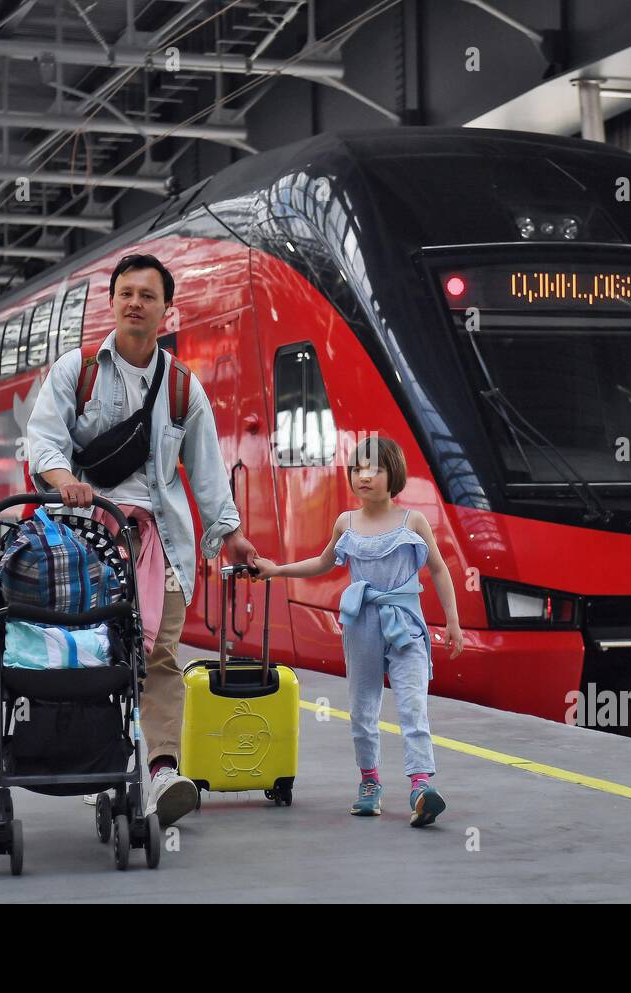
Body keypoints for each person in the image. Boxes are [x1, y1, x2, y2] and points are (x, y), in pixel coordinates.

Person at [25, 253, 259, 826]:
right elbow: (43, 441)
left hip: (164, 544)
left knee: (158, 656)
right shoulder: (74, 371)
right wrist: (67, 483)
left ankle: (162, 773)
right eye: (126, 292)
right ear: (112, 302)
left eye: (147, 295)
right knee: (93, 654)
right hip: (84, 544)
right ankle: (100, 760)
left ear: (165, 309)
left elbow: (207, 474)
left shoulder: (183, 388)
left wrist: (230, 537)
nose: (135, 303)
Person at [252, 436, 463, 827]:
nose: (364, 477)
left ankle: (420, 786)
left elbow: (438, 568)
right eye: (357, 469)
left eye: (375, 469)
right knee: (362, 709)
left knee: (413, 707)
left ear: (393, 475)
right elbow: (321, 563)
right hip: (361, 624)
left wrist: (452, 621)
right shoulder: (345, 522)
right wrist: (276, 570)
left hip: (406, 626)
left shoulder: (412, 521)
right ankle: (370, 782)